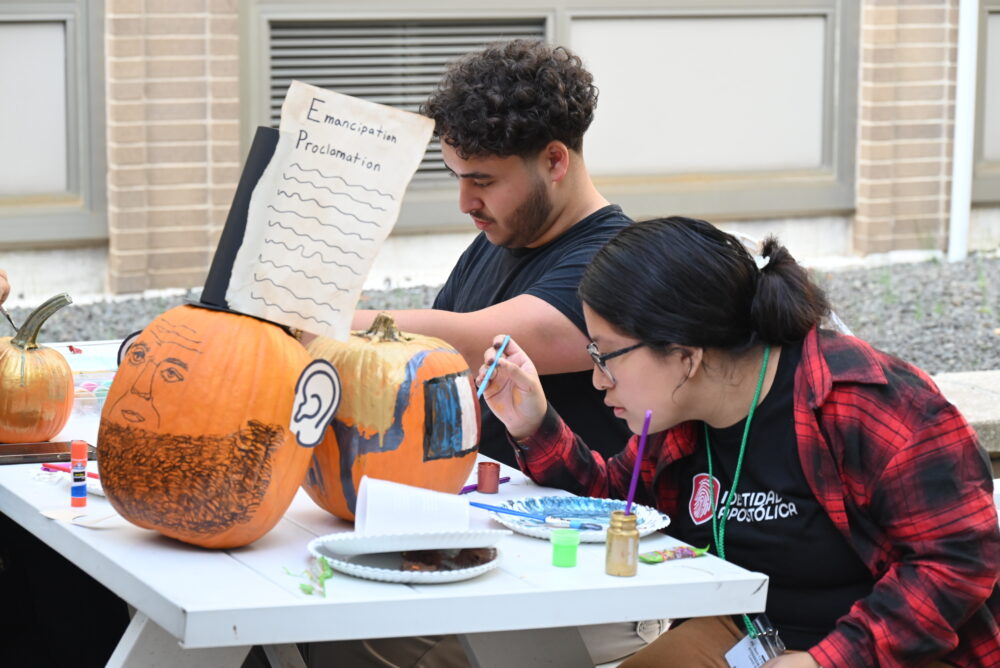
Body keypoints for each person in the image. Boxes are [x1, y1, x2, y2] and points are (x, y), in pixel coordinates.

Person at [477, 216, 1000, 667]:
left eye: (606, 355)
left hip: (889, 650)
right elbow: (617, 504)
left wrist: (825, 660)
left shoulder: (862, 401)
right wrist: (532, 422)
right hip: (751, 633)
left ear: (685, 355)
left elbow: (958, 560)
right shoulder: (681, 415)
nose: (598, 380)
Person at [348, 38, 632, 467]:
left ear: (554, 161)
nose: (465, 202)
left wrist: (308, 322)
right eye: (457, 177)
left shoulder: (619, 264)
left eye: (483, 181)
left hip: (571, 510)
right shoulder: (494, 241)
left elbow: (457, 346)